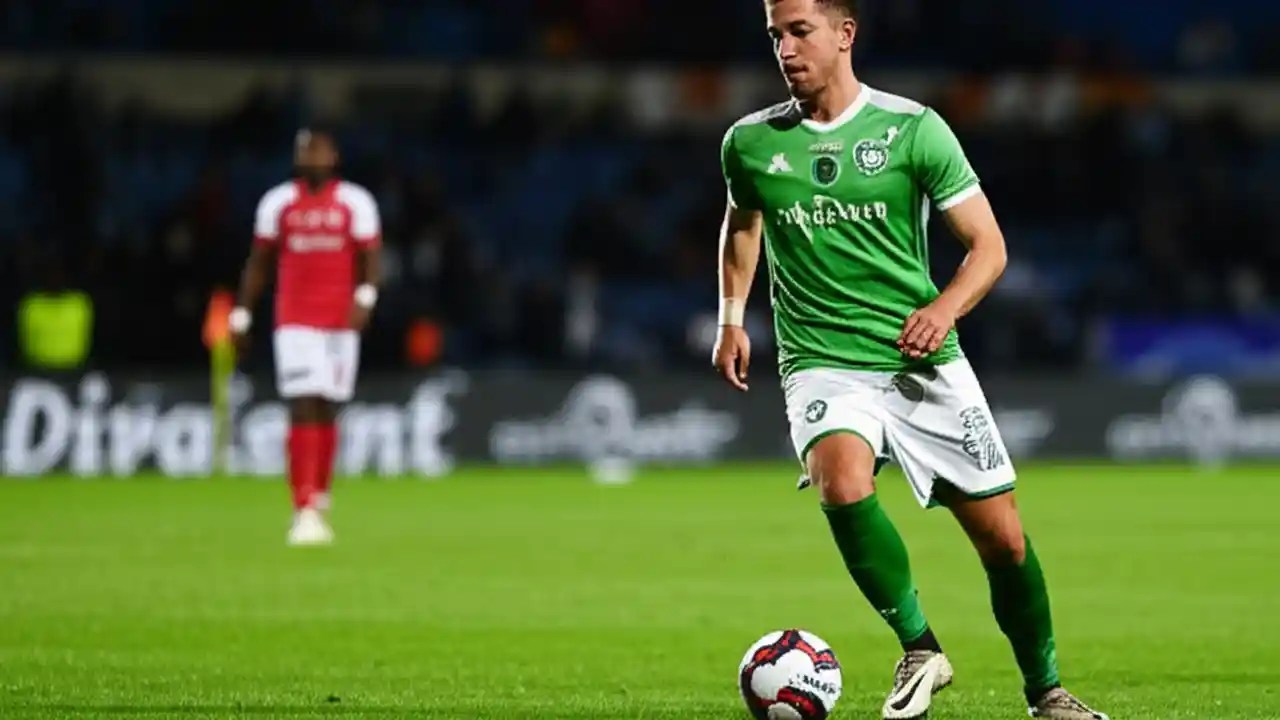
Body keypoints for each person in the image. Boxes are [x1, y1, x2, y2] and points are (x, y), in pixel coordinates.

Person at [712, 2, 1108, 718]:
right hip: (821, 358)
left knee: (1005, 541)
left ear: (844, 33)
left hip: (919, 360)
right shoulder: (749, 143)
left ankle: (1046, 692)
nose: (786, 48)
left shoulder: (913, 130)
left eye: (800, 31)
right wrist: (732, 318)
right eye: (775, 35)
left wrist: (943, 309)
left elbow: (988, 248)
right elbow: (743, 224)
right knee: (839, 479)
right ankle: (920, 647)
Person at [230, 127, 382, 547]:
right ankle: (303, 507)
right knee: (302, 402)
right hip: (295, 319)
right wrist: (242, 313)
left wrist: (365, 298)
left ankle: (320, 492)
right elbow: (259, 262)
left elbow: (371, 256)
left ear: (333, 156)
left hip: (340, 321)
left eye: (318, 148)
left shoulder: (356, 202)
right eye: (304, 149)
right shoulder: (278, 202)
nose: (311, 155)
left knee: (329, 405)